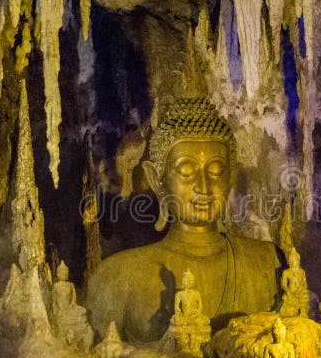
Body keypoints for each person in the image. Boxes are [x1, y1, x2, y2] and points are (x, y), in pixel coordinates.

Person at [86, 97, 282, 343]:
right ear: (157, 180)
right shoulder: (117, 276)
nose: (203, 186)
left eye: (216, 171)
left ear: (230, 178)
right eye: (186, 171)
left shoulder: (267, 261)